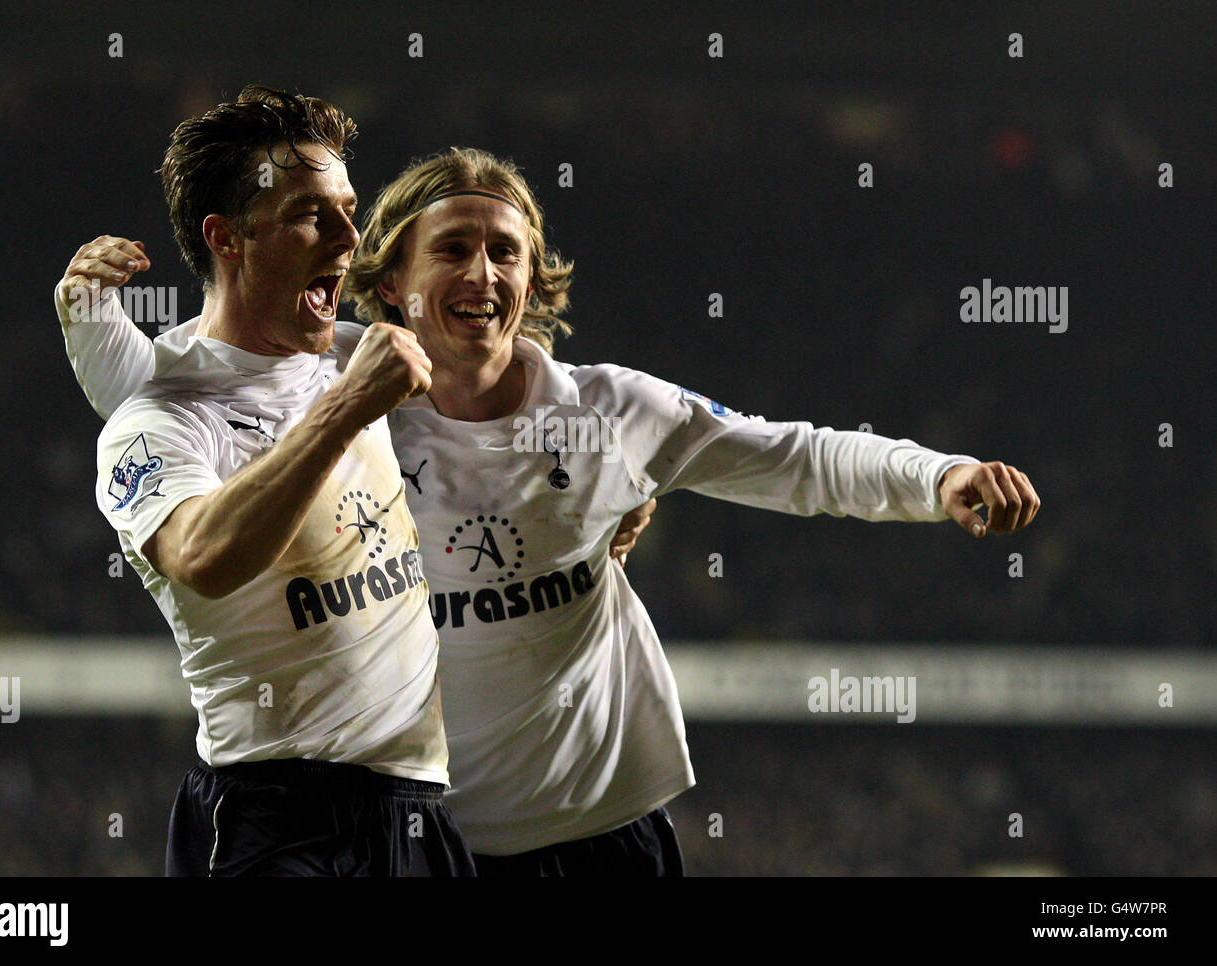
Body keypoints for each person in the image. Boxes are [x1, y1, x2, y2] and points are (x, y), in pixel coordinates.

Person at [58, 147, 1039, 877]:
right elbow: (170, 397)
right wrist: (92, 320)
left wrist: (940, 477)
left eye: (504, 252)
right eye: (453, 249)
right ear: (392, 281)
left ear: (533, 283)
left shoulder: (608, 411)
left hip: (604, 833)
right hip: (426, 842)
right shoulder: (330, 399)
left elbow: (793, 457)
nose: (482, 275)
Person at [72, 85, 476, 876]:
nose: (349, 238)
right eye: (309, 215)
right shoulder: (158, 423)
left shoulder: (350, 352)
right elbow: (203, 559)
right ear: (227, 238)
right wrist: (347, 411)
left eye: (350, 210)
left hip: (422, 812)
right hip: (279, 817)